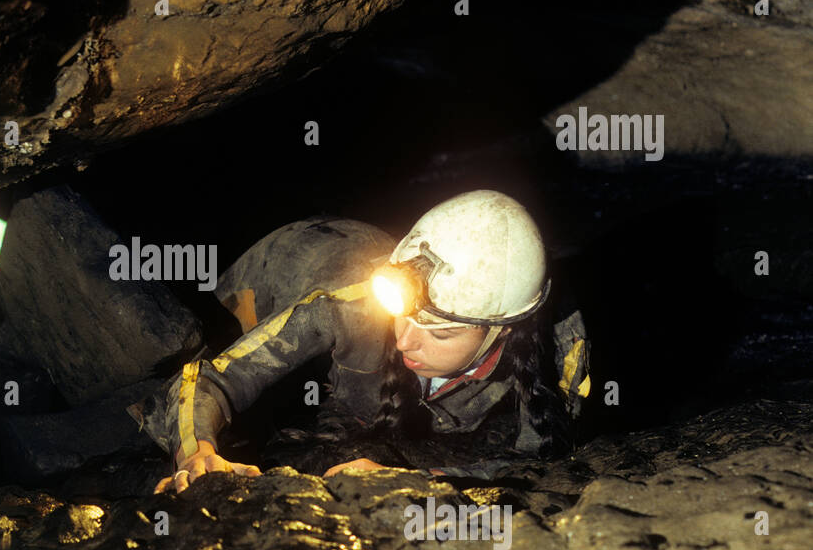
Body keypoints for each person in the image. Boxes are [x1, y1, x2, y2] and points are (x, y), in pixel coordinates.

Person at [128, 190, 590, 492]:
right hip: (278, 269)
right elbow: (210, 378)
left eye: (441, 332)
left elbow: (541, 467)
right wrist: (196, 451)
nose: (405, 340)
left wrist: (416, 480)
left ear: (503, 330)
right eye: (401, 315)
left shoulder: (561, 344)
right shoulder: (349, 302)